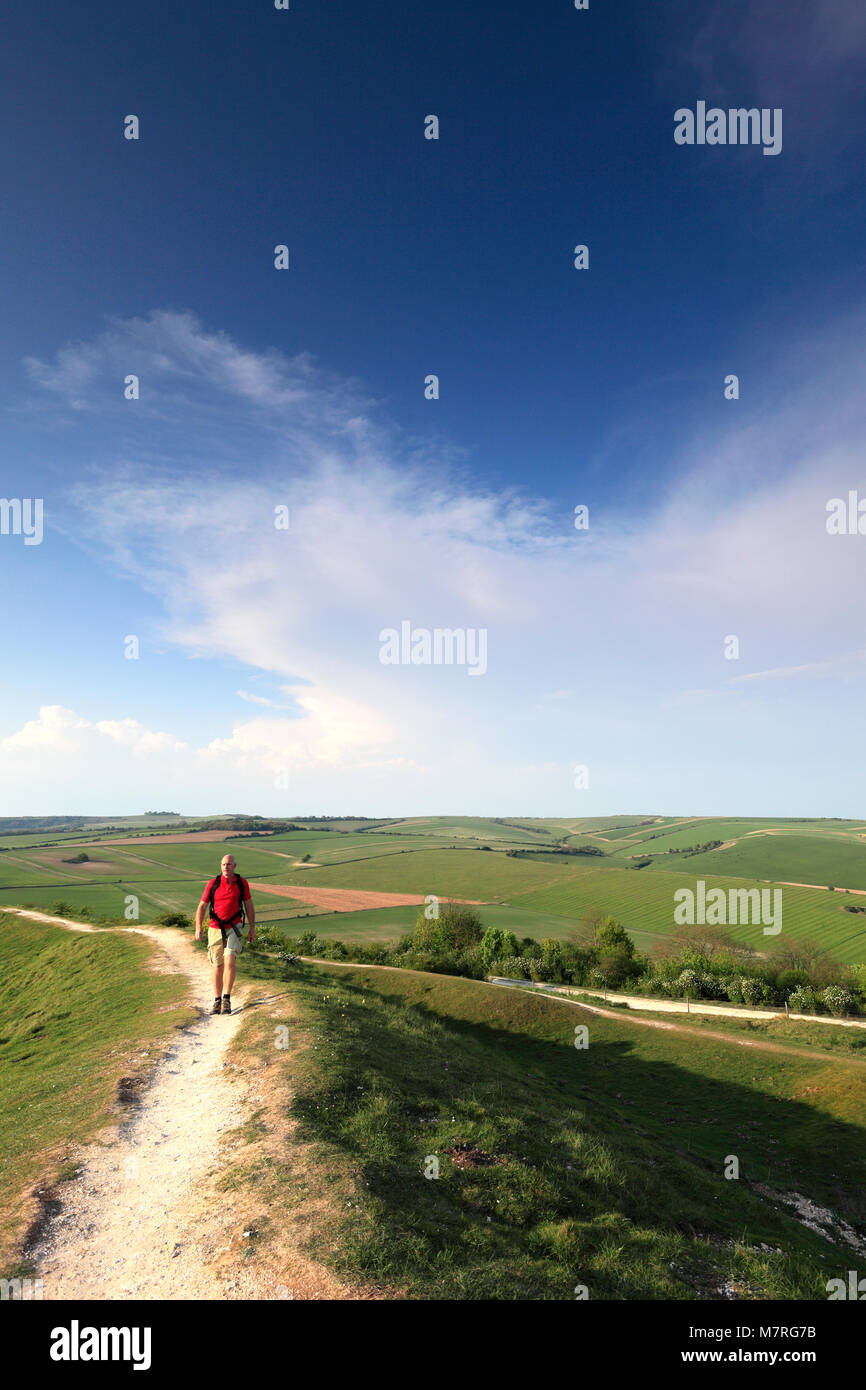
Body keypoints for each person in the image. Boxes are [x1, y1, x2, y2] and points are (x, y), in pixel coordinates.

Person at [194, 854, 255, 1015]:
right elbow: (202, 906)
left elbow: (248, 905)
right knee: (217, 966)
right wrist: (198, 927)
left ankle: (226, 998)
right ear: (220, 866)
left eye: (229, 864)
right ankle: (217, 1000)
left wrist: (252, 928)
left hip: (234, 927)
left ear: (235, 866)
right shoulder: (213, 884)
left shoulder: (241, 883)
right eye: (223, 865)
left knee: (230, 959)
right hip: (214, 928)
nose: (226, 867)